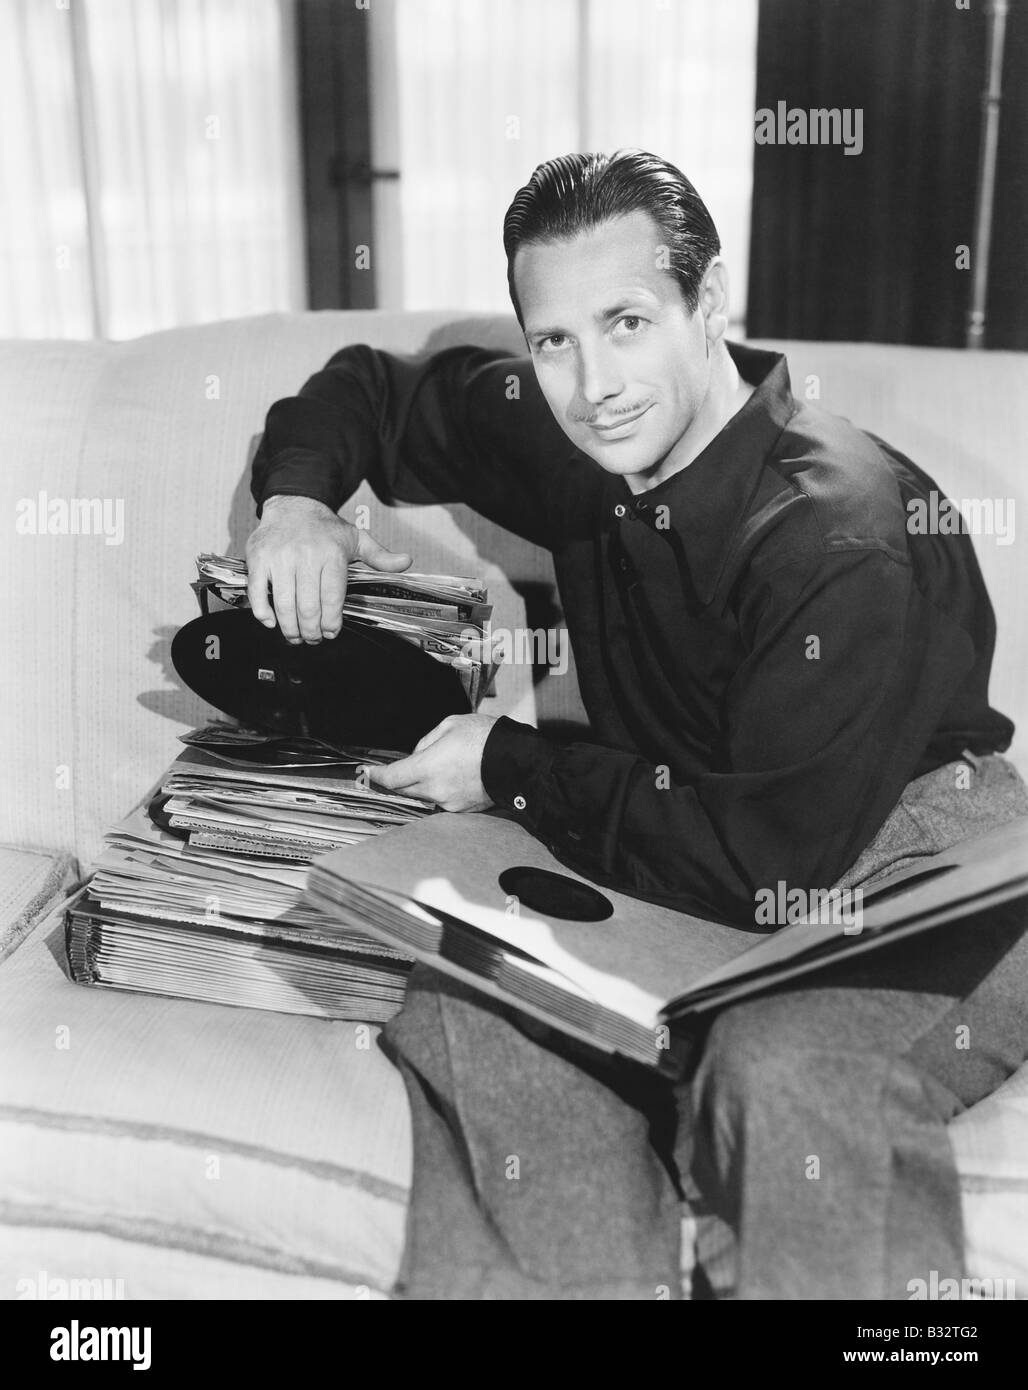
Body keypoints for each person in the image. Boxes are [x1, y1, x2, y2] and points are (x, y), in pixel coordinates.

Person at [247, 150, 1028, 1299]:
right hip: (689, 838)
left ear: (707, 305)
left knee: (778, 1071)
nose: (591, 380)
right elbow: (373, 388)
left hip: (929, 866)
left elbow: (757, 859)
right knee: (469, 1013)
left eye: (625, 322)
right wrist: (295, 502)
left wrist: (508, 766)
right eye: (554, 339)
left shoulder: (841, 527)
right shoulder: (574, 432)